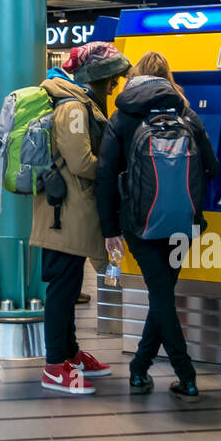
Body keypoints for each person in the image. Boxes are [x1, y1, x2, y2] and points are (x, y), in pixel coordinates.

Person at [96, 51, 219, 402]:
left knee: (160, 294)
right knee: (162, 293)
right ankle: (140, 367)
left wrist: (110, 230)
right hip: (182, 221)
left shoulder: (121, 118)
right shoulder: (186, 113)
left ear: (135, 76)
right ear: (167, 77)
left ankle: (186, 373)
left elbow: (105, 178)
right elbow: (212, 165)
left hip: (139, 222)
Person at [32, 42, 130, 395]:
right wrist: (116, 171)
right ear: (97, 77)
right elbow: (80, 162)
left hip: (71, 212)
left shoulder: (78, 101)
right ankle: (56, 366)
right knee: (62, 289)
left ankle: (70, 353)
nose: (115, 87)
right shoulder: (72, 106)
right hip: (63, 214)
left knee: (70, 286)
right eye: (112, 80)